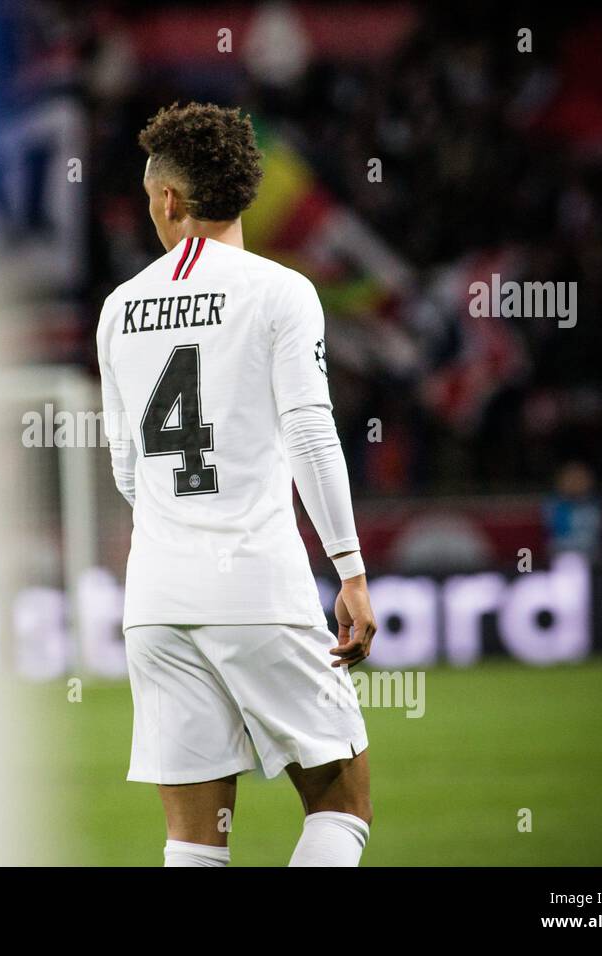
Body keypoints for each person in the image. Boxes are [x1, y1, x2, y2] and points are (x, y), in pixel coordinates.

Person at [96, 103, 376, 866]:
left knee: (193, 840)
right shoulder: (280, 292)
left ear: (169, 200)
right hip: (257, 586)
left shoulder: (119, 310)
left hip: (155, 601)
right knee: (341, 804)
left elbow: (127, 467)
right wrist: (349, 570)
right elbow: (313, 433)